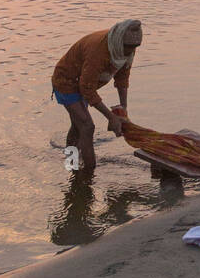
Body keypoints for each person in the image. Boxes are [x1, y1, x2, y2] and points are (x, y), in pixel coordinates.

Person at [51, 19, 143, 172]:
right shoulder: (99, 51)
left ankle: (70, 163)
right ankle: (88, 172)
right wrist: (111, 117)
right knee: (87, 126)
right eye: (127, 47)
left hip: (83, 81)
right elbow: (87, 89)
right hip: (66, 81)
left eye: (133, 47)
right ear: (119, 41)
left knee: (77, 125)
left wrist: (123, 109)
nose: (129, 51)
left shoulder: (128, 47)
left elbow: (122, 78)